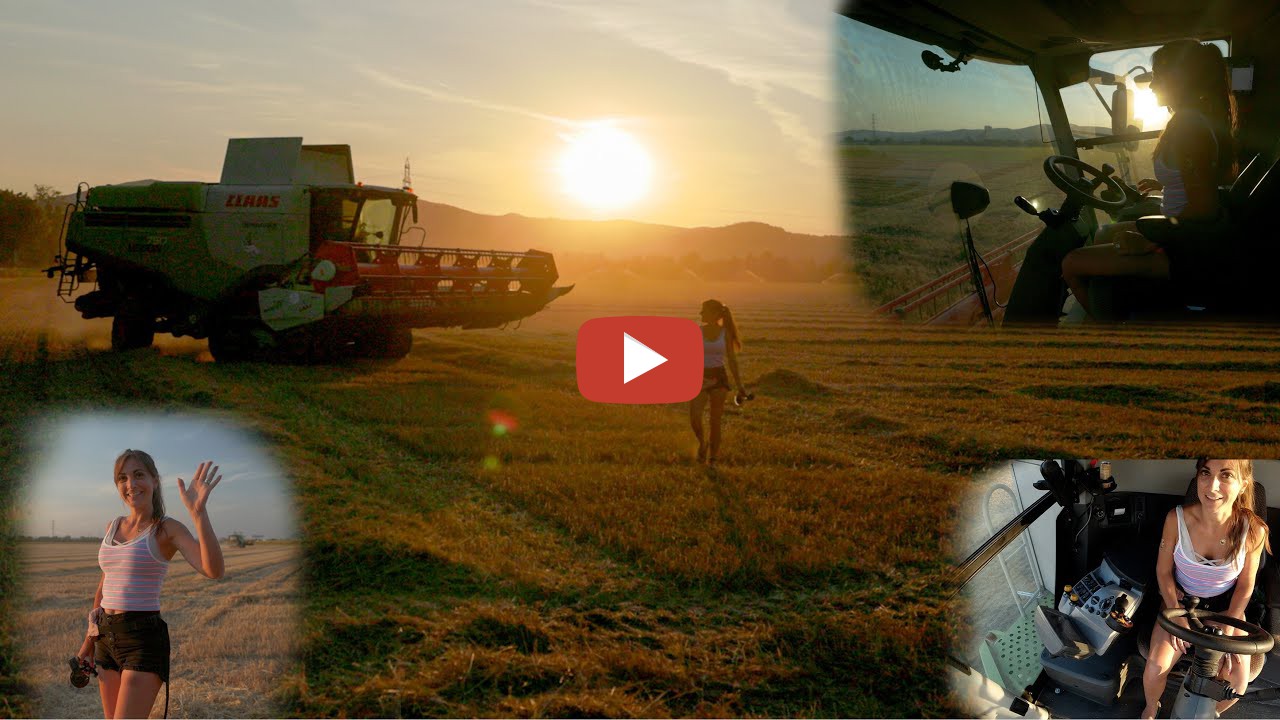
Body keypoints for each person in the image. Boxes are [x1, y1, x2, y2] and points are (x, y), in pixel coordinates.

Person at [1061, 39, 1237, 319]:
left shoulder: (1188, 127)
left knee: (1071, 264)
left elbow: (1203, 207)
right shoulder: (1193, 120)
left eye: (1158, 77)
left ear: (1180, 79)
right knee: (1102, 233)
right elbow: (1200, 181)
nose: (1152, 85)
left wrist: (1151, 244)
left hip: (1184, 251)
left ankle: (1106, 346)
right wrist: (1168, 185)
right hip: (1183, 238)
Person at [73, 450, 225, 720]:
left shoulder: (167, 529)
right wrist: (88, 642)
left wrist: (199, 513)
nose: (130, 484)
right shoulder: (113, 526)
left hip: (142, 639)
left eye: (138, 475)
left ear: (155, 480)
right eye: (122, 478)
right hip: (105, 639)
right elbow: (105, 587)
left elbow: (213, 570)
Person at [1141, 459, 1269, 718]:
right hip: (1180, 605)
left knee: (1236, 683)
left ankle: (1211, 713)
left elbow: (1245, 585)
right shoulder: (1175, 519)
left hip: (1226, 609)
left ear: (1243, 483)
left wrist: (1229, 631)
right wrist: (1176, 612)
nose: (1212, 486)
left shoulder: (1254, 530)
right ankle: (1151, 708)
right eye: (1205, 473)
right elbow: (1163, 571)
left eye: (1225, 476)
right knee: (1155, 667)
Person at [690, 299, 746, 466]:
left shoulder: (725, 334)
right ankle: (702, 443)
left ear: (715, 314)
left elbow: (732, 360)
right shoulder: (697, 332)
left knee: (715, 421)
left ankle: (713, 459)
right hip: (700, 377)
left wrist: (740, 385)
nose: (700, 314)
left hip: (719, 378)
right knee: (695, 417)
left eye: (704, 311)